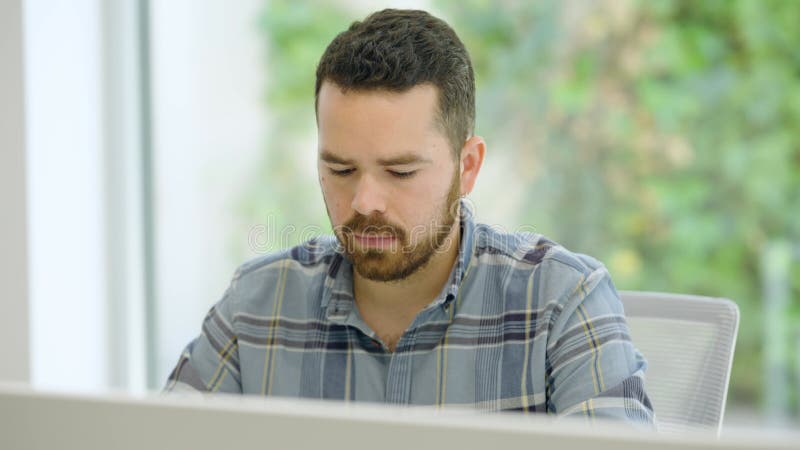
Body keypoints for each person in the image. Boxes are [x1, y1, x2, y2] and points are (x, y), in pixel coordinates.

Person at [166, 8, 654, 424]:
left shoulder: (562, 301)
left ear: (468, 167)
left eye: (399, 172)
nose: (364, 202)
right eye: (340, 169)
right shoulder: (256, 305)